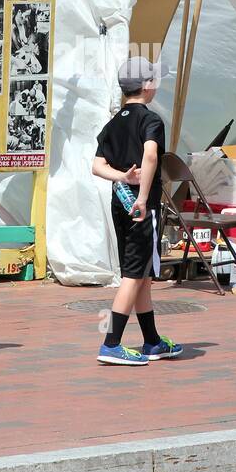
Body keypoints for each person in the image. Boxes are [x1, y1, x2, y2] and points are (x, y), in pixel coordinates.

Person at [91, 58, 184, 365]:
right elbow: (151, 156)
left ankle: (152, 342)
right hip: (141, 208)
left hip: (119, 203)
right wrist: (143, 196)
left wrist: (122, 177)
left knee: (140, 272)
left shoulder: (113, 123)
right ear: (147, 86)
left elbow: (97, 166)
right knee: (133, 274)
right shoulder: (151, 120)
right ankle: (112, 343)